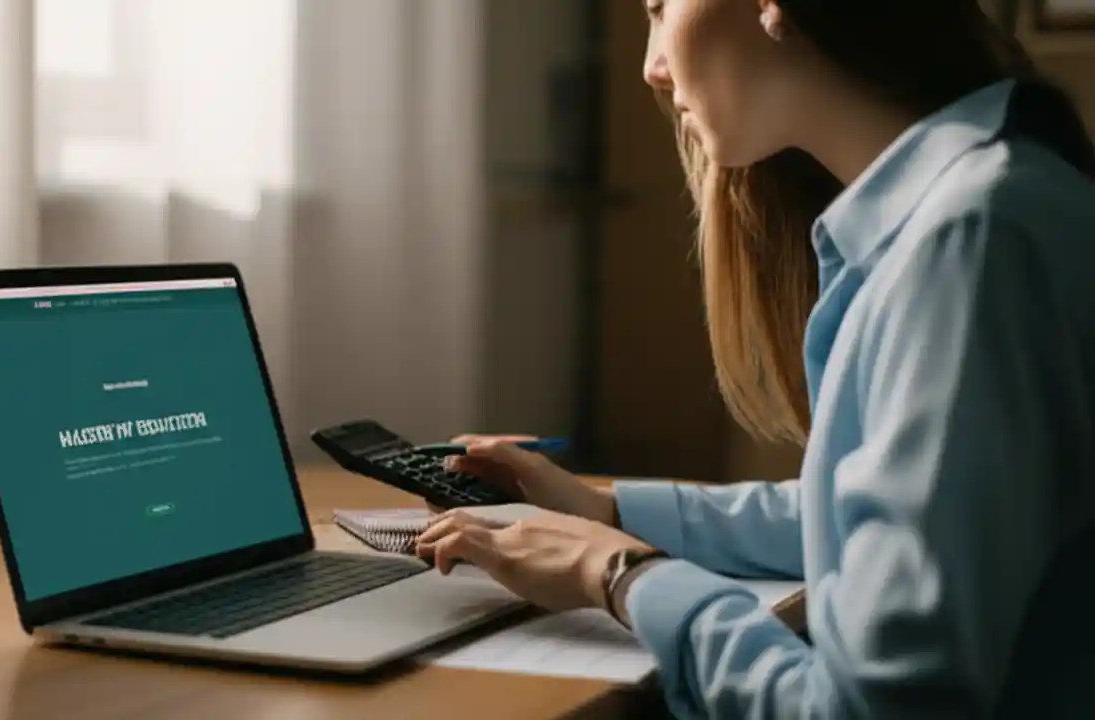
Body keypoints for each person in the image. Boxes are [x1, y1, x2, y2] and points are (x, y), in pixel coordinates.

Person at [415, 0, 1095, 716]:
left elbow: (868, 708)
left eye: (659, 7)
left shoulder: (970, 242)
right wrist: (603, 509)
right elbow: (865, 518)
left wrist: (619, 574)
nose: (651, 68)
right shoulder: (982, 203)